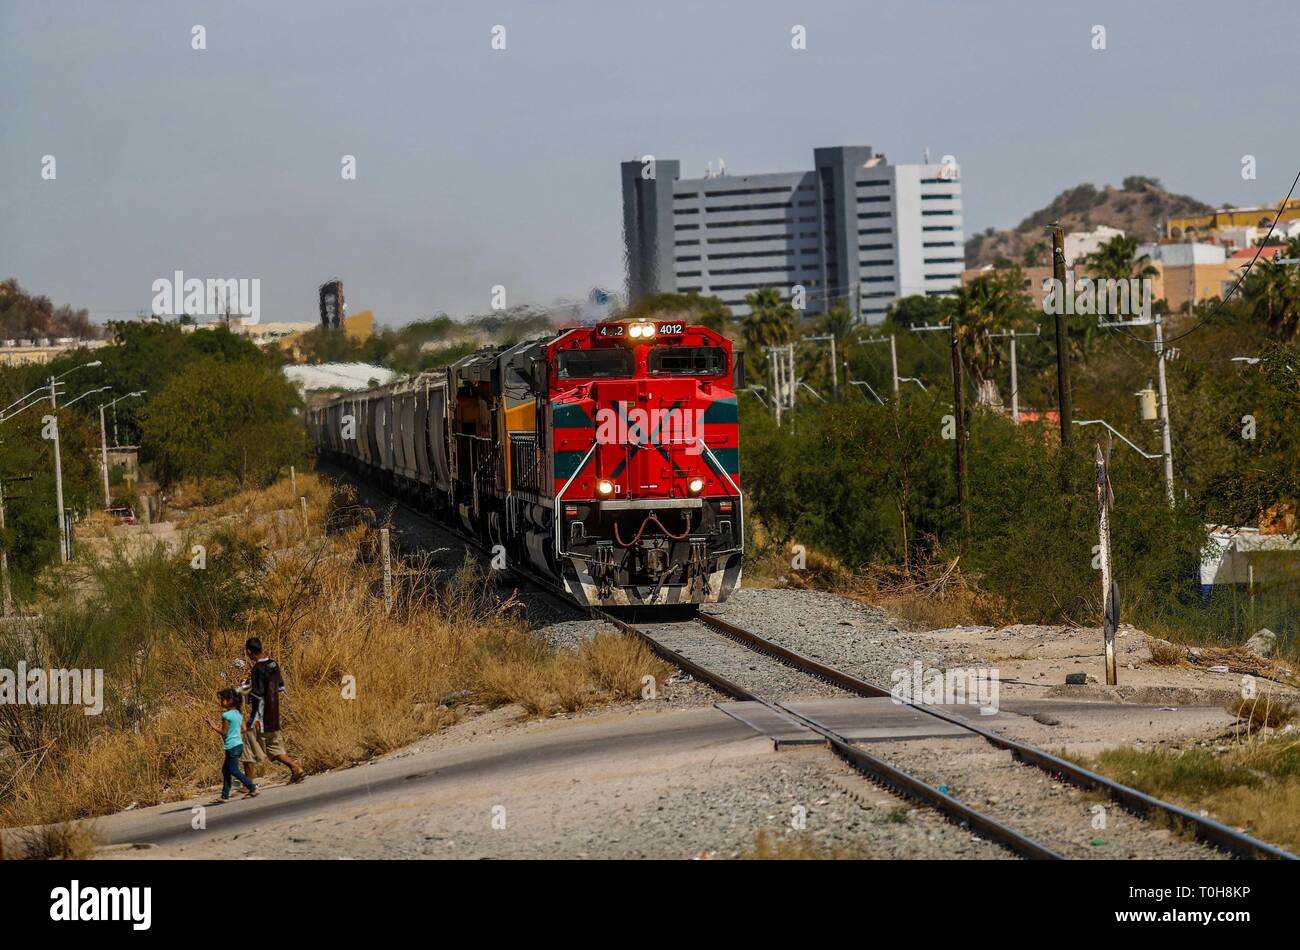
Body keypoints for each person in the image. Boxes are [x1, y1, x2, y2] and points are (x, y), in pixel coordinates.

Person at [241, 637, 306, 783]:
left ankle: (247, 785)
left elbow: (257, 693)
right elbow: (280, 687)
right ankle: (295, 767)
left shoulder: (256, 669)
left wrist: (246, 688)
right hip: (274, 713)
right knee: (273, 747)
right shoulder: (273, 664)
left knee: (247, 747)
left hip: (260, 715)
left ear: (249, 652)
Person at [206, 688, 257, 802]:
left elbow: (224, 732)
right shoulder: (238, 713)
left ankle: (252, 787)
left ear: (229, 701)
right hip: (239, 744)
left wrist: (211, 724)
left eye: (222, 699)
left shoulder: (226, 715)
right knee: (226, 770)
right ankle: (224, 796)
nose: (221, 702)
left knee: (233, 770)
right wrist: (235, 732)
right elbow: (244, 729)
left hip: (231, 746)